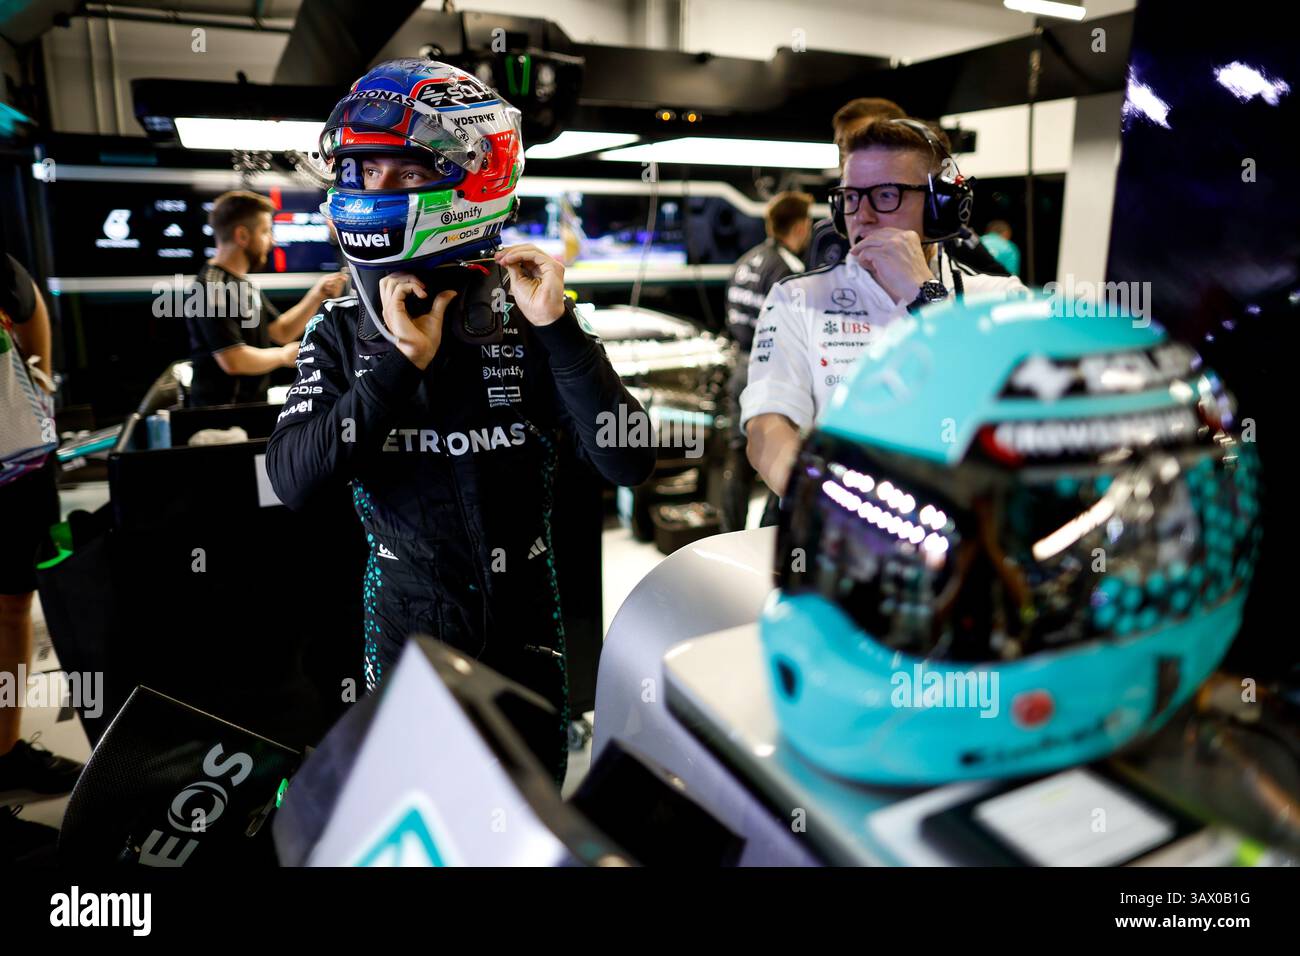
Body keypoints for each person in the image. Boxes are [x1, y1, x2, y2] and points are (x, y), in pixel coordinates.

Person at [265, 59, 656, 782]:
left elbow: (628, 461)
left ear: (474, 179)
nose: (370, 191)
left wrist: (561, 332)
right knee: (425, 820)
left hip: (527, 625)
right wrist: (395, 369)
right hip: (408, 619)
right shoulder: (344, 330)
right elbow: (290, 480)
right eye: (358, 172)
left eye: (403, 174)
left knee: (528, 821)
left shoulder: (531, 308)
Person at [743, 118, 1027, 500]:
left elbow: (1021, 424)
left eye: (887, 194)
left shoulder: (1000, 299)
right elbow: (766, 432)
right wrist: (836, 506)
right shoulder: (798, 299)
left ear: (939, 208)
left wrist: (924, 295)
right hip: (842, 532)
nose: (864, 214)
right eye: (852, 196)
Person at [0, 251, 84, 860]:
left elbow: (29, 306)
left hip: (13, 465)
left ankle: (2, 754)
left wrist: (38, 394)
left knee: (11, 608)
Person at [805, 99, 1010, 279]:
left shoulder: (949, 234)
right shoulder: (826, 235)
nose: (852, 151)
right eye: (842, 144)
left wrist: (923, 289)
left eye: (887, 195)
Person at [185, 191, 347, 407]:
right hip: (219, 420)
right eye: (265, 231)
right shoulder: (212, 286)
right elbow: (233, 359)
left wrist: (317, 295)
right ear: (242, 236)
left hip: (246, 411)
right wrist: (283, 356)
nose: (272, 240)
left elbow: (281, 331)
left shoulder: (242, 284)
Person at [720, 191, 811, 533]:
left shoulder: (746, 261)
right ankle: (765, 536)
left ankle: (729, 536)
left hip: (740, 368)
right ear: (801, 227)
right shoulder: (789, 271)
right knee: (781, 455)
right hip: (771, 374)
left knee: (737, 459)